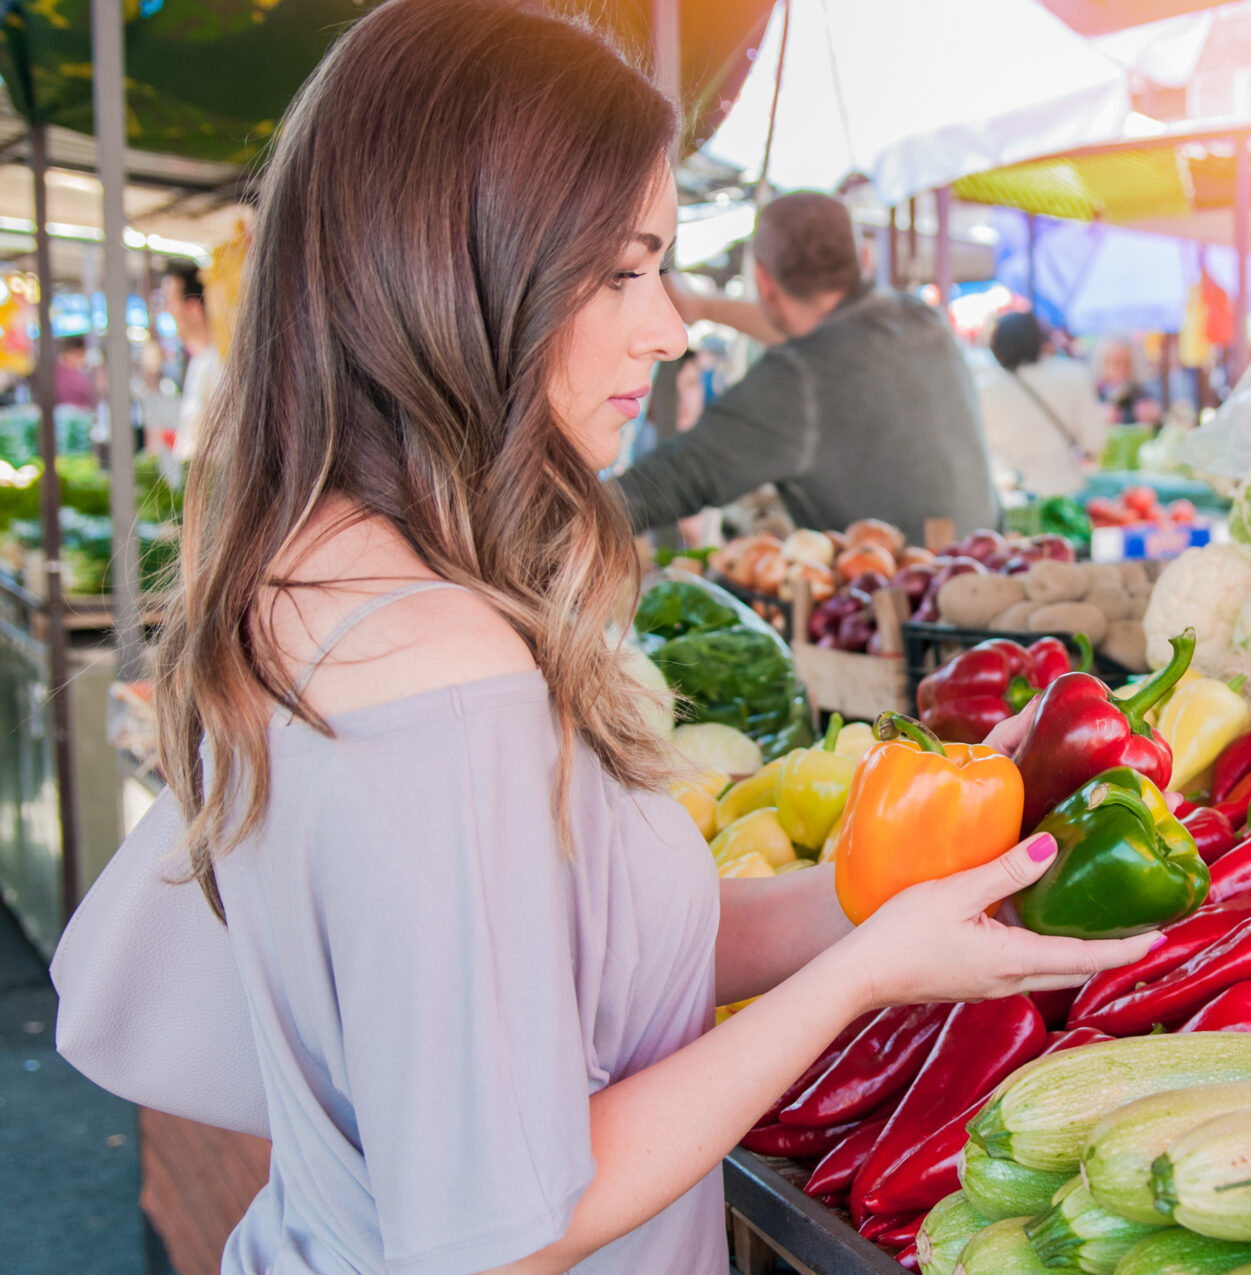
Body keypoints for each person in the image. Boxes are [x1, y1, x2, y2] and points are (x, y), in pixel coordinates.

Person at [48, 3, 1154, 1272]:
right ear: (463, 274)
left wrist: (876, 891)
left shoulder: (310, 574)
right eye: (626, 269)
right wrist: (856, 982)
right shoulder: (444, 678)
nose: (674, 324)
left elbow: (592, 952)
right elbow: (506, 1237)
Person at [613, 191, 1000, 542]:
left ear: (764, 283)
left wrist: (559, 524)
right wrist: (701, 308)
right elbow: (811, 331)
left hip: (902, 611)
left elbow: (675, 480)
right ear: (864, 258)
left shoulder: (797, 381)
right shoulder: (921, 319)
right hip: (996, 578)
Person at [975, 312, 1106, 497]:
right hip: (1065, 494)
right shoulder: (1073, 375)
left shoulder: (982, 389)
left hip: (1011, 497)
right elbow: (1094, 442)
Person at [160, 259, 223, 458]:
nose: (166, 310)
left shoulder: (222, 365)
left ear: (194, 308)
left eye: (170, 301)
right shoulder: (198, 363)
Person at [53, 335, 97, 409]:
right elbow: (86, 391)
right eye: (79, 355)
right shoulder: (61, 372)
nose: (81, 358)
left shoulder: (78, 371)